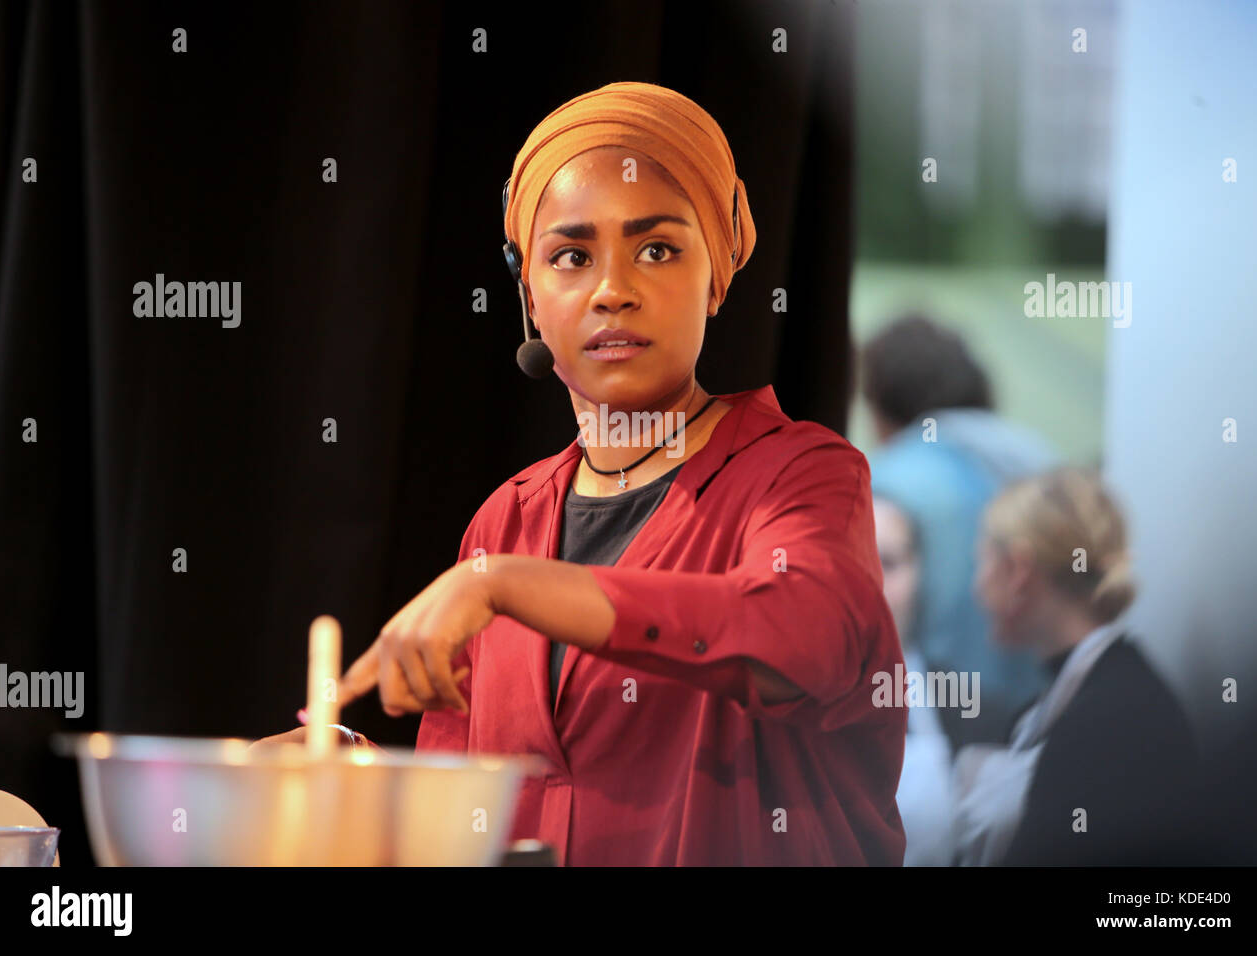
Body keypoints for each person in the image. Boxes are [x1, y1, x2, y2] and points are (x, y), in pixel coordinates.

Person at [266, 82, 907, 866]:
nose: (612, 289)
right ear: (529, 295)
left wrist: (502, 586)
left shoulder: (804, 476)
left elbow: (799, 636)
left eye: (658, 249)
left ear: (718, 275)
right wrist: (351, 773)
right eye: (571, 256)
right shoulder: (505, 521)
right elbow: (465, 809)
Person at [951, 466, 1198, 865]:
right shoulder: (1094, 699)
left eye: (982, 562)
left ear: (1018, 572)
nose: (977, 585)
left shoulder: (1115, 718)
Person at [862, 315, 1059, 754]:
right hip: (1041, 728)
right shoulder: (1044, 463)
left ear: (884, 401)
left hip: (932, 736)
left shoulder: (885, 482)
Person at [874, 495, 957, 866]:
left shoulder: (967, 706)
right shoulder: (775, 708)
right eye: (852, 561)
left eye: (888, 563)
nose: (872, 581)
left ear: (919, 572)